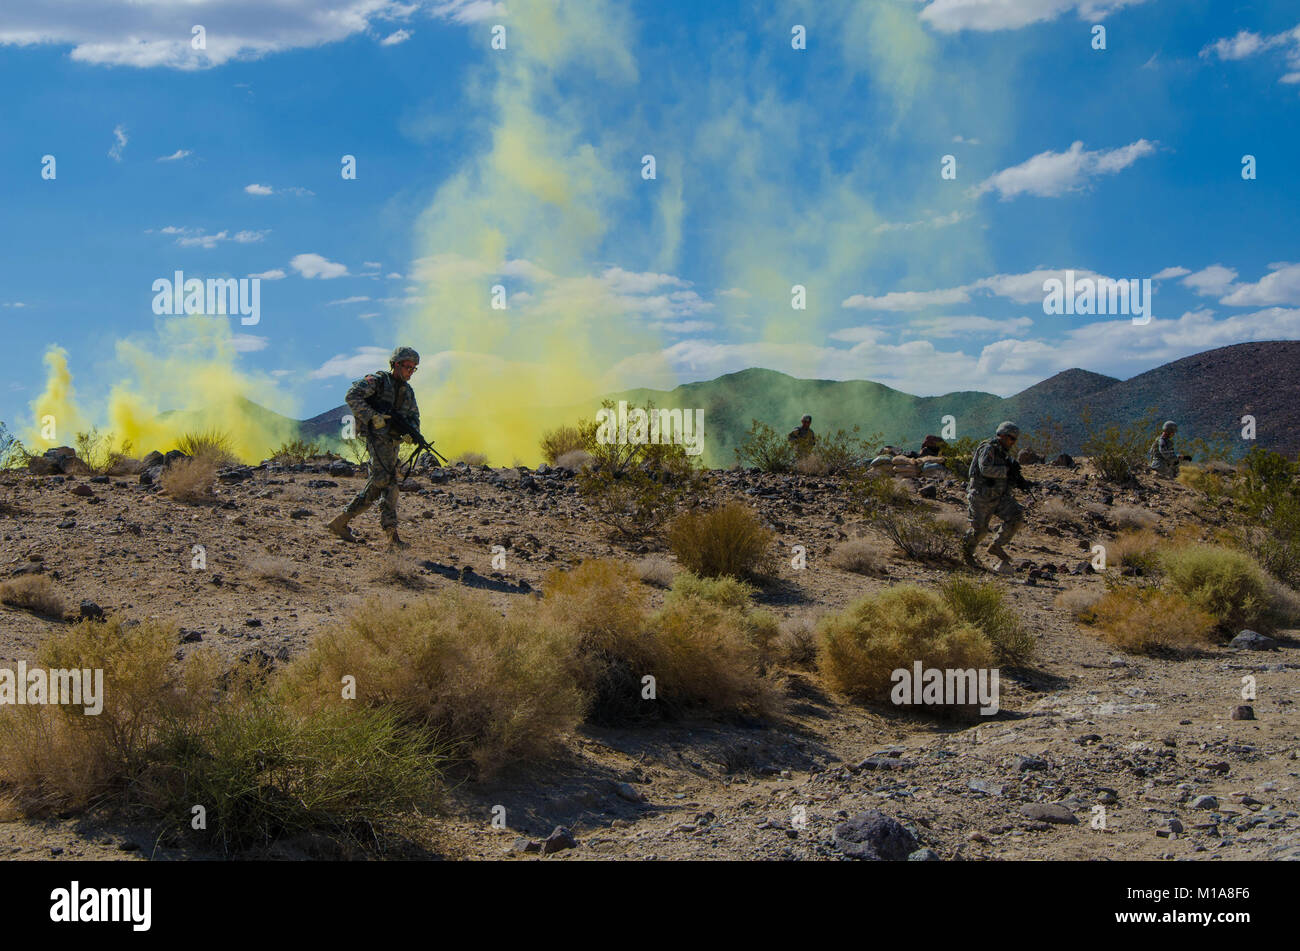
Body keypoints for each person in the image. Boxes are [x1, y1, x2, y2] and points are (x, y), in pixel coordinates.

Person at [325, 346, 422, 549]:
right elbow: (352, 396)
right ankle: (391, 536)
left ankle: (341, 522)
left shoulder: (408, 392)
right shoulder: (377, 381)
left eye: (414, 368)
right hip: (377, 439)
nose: (411, 371)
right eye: (408, 367)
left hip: (393, 442)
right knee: (389, 483)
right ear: (396, 365)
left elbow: (413, 416)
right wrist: (373, 417)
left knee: (379, 484)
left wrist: (412, 433)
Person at [962, 421, 1034, 569]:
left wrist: (1018, 481)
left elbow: (1005, 474)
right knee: (979, 530)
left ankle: (996, 545)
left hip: (999, 497)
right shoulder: (988, 448)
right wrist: (1006, 470)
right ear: (1001, 435)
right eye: (1011, 438)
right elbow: (985, 469)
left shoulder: (1003, 453)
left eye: (1015, 439)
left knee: (1016, 516)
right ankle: (966, 555)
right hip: (981, 496)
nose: (1013, 442)